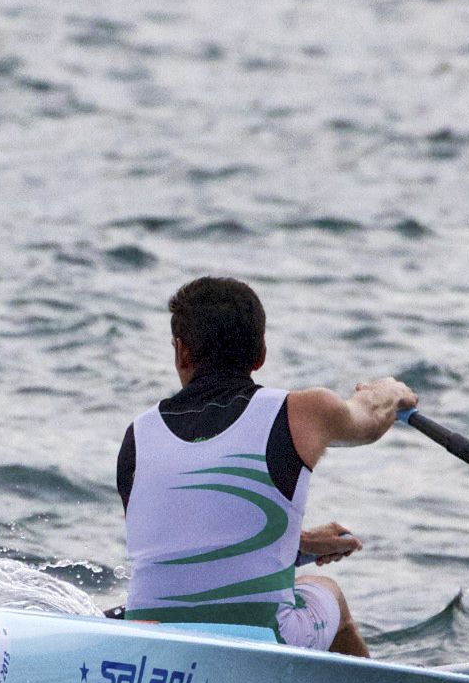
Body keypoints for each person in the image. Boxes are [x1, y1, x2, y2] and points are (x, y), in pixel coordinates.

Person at [116, 277, 417, 656]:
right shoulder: (302, 412)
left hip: (147, 638)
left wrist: (298, 543)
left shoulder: (138, 437)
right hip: (263, 639)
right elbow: (369, 420)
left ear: (181, 352)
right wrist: (389, 390)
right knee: (329, 594)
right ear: (260, 354)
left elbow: (186, 539)